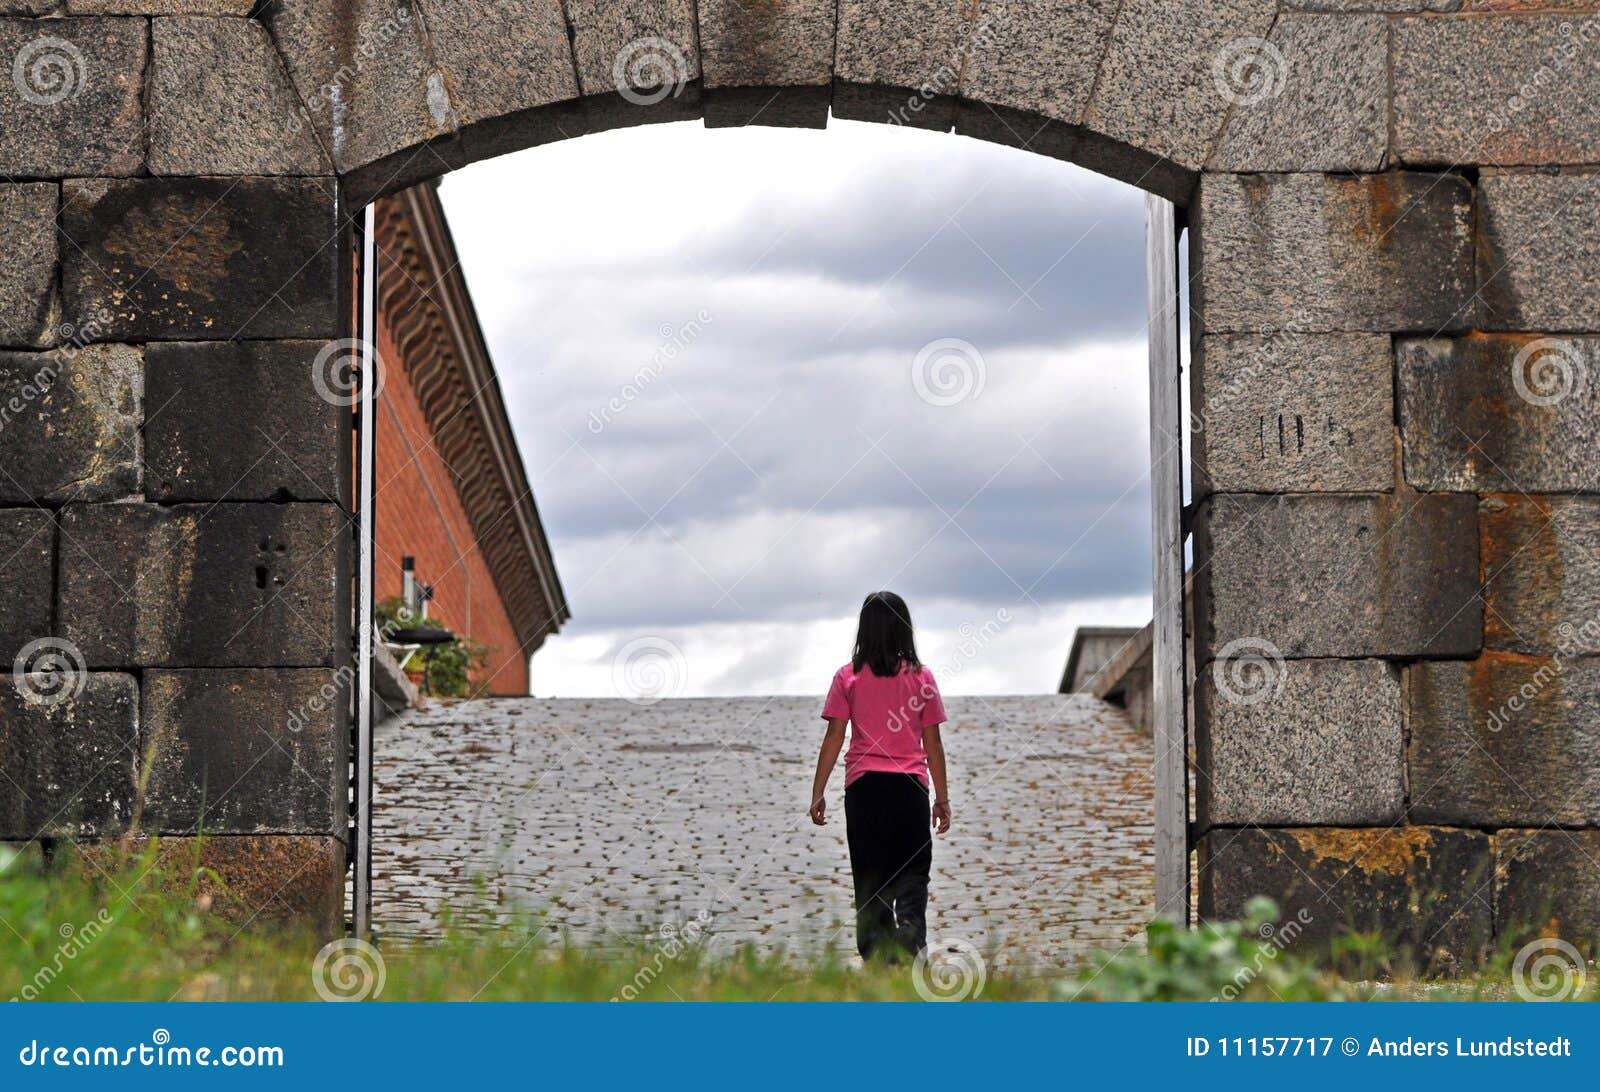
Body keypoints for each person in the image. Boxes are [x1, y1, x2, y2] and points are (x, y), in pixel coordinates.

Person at [809, 591, 950, 961]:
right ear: (905, 630)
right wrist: (942, 799)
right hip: (909, 790)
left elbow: (835, 737)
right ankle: (909, 936)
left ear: (864, 629)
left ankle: (879, 955)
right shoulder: (923, 679)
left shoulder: (847, 677)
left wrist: (818, 791)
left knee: (870, 879)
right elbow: (932, 744)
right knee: (913, 873)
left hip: (864, 790)